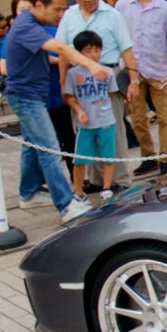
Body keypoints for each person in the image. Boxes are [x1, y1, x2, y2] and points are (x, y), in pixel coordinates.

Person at [5, 0, 107, 221]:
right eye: (57, 10)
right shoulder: (26, 26)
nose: (61, 15)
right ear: (38, 5)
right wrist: (91, 64)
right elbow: (60, 47)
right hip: (26, 98)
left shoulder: (31, 23)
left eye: (64, 10)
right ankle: (66, 204)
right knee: (49, 149)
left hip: (31, 96)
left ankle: (28, 194)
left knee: (33, 146)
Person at [55, 0, 138, 191]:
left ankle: (119, 179)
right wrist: (63, 83)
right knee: (84, 130)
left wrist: (133, 81)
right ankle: (96, 180)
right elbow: (62, 51)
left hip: (107, 81)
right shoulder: (69, 17)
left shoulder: (112, 15)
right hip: (78, 82)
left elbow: (127, 49)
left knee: (114, 131)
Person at [117, 0, 167, 178]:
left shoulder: (165, 8)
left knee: (164, 116)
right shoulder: (122, 6)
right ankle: (148, 156)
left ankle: (164, 158)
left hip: (159, 70)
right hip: (133, 71)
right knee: (137, 118)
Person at [62, 31, 119, 203]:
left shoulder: (107, 71)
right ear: (79, 53)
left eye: (96, 50)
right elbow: (69, 96)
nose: (93, 55)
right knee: (80, 159)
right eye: (88, 50)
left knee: (107, 156)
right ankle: (78, 191)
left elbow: (110, 93)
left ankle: (107, 187)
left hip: (106, 120)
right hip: (85, 124)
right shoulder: (73, 74)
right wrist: (79, 110)